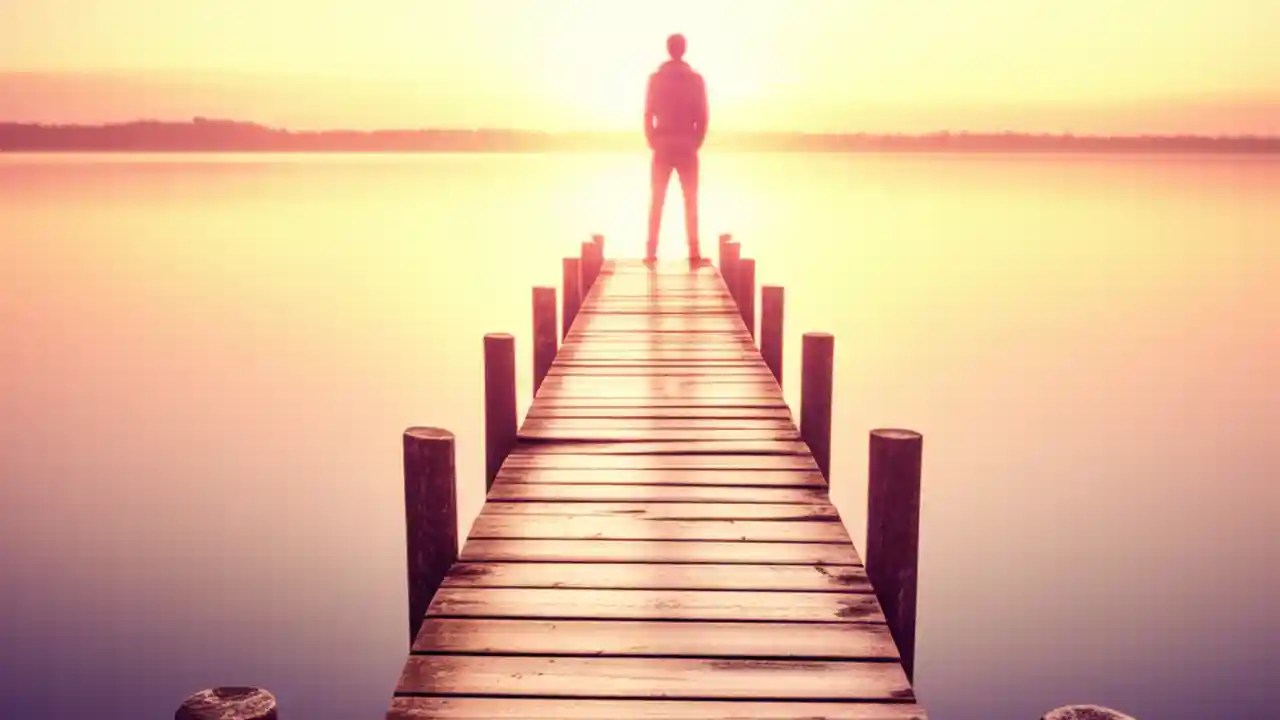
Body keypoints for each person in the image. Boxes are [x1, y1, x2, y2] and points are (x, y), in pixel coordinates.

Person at [645, 33, 708, 263]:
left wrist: (652, 139)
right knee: (690, 199)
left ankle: (651, 250)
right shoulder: (695, 80)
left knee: (657, 198)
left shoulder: (656, 79)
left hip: (662, 141)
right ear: (684, 49)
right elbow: (703, 115)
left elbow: (648, 113)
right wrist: (696, 141)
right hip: (686, 142)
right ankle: (694, 250)